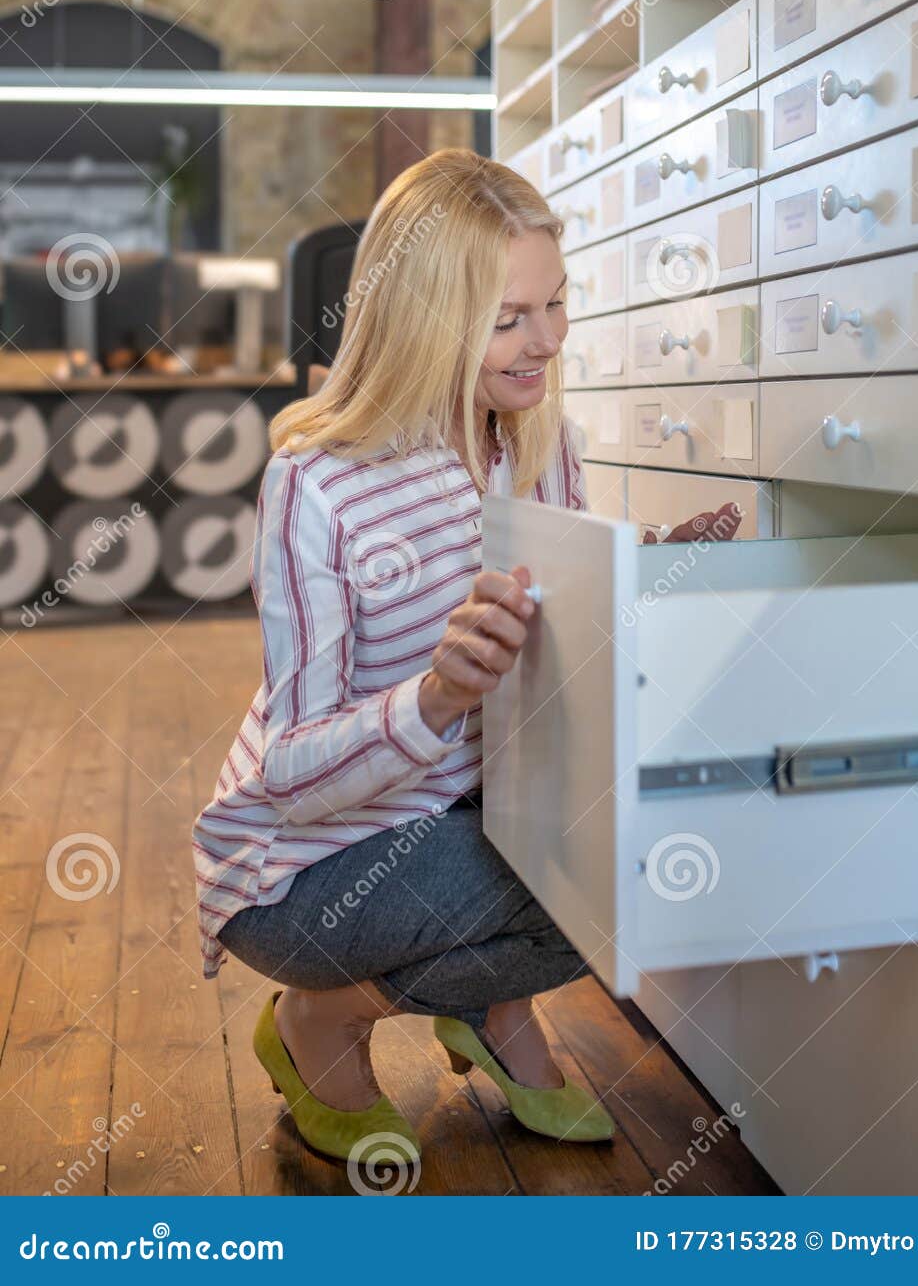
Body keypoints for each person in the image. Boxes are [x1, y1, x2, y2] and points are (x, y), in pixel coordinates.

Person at [191, 149, 617, 1168]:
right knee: (596, 874)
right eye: (511, 318)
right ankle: (321, 1018)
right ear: (425, 314)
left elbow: (558, 667)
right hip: (307, 871)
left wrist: (637, 600)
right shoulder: (319, 481)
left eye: (554, 305)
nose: (548, 341)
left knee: (639, 854)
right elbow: (292, 775)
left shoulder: (539, 442)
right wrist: (434, 696)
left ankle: (488, 1008)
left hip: (478, 821)